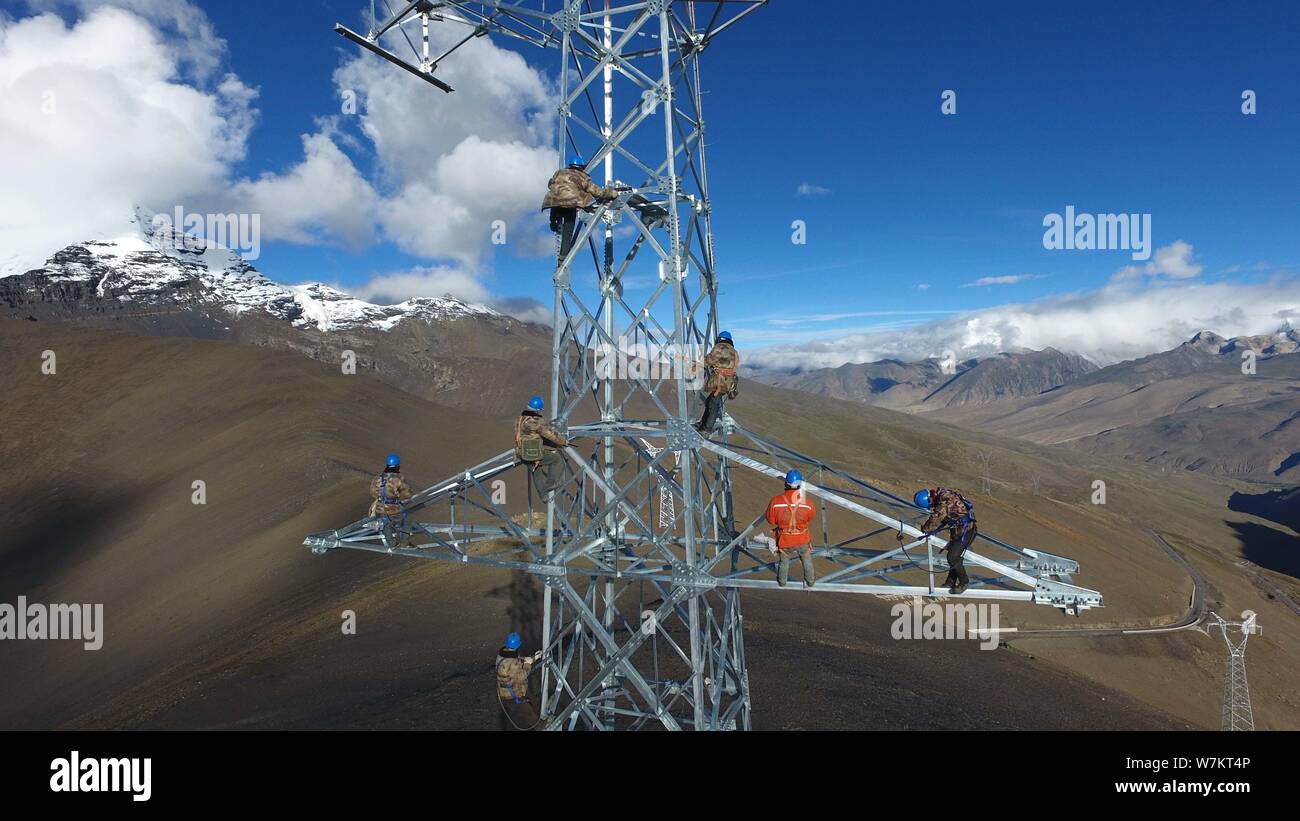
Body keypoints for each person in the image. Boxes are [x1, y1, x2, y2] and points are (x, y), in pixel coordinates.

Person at [541, 155, 618, 263]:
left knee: (556, 203)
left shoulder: (559, 173)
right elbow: (596, 191)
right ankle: (563, 256)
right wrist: (611, 193)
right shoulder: (583, 177)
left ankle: (553, 221)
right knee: (568, 227)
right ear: (581, 166)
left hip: (554, 202)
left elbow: (550, 184)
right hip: (570, 204)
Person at [903, 487, 976, 594]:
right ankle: (950, 582)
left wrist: (925, 528)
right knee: (954, 557)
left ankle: (964, 582)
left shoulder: (945, 500)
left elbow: (937, 516)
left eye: (931, 505)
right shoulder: (943, 495)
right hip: (959, 531)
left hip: (967, 531)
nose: (932, 507)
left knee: (952, 557)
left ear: (929, 500)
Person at [765, 469, 816, 588]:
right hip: (802, 538)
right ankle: (811, 581)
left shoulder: (775, 502)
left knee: (784, 560)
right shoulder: (808, 503)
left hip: (785, 539)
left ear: (786, 484)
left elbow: (771, 521)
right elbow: (810, 518)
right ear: (799, 485)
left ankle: (782, 582)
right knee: (806, 558)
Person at [515, 395, 570, 498]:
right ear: (538, 409)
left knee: (536, 470)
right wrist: (562, 442)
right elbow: (548, 434)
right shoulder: (534, 422)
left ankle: (543, 495)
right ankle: (550, 483)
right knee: (556, 459)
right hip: (531, 453)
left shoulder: (521, 418)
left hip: (521, 452)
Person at [496, 631, 544, 730]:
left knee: (534, 701)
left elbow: (517, 661)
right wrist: (528, 664)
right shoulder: (511, 663)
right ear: (517, 645)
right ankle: (541, 727)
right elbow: (522, 676)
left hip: (515, 690)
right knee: (527, 713)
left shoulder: (503, 655)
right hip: (512, 695)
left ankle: (540, 718)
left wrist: (533, 658)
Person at [695, 331, 739, 433]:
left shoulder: (720, 347)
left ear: (720, 339)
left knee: (713, 405)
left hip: (720, 381)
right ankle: (703, 424)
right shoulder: (733, 351)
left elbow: (709, 360)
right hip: (729, 381)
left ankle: (706, 429)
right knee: (710, 402)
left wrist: (695, 367)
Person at [369, 452, 413, 546]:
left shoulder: (378, 478)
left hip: (380, 508)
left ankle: (391, 543)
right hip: (394, 509)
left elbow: (373, 492)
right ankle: (404, 543)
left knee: (386, 523)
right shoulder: (398, 478)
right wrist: (405, 498)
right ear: (397, 466)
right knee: (407, 521)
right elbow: (407, 494)